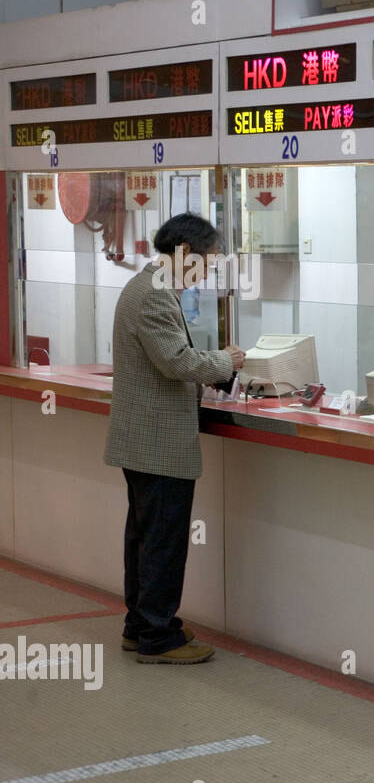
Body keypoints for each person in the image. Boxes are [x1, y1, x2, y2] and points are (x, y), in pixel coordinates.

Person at [104, 213, 246, 663]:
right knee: (163, 540)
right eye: (206, 263)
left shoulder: (148, 288)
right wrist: (225, 361)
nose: (206, 273)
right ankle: (158, 638)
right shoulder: (155, 294)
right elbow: (176, 362)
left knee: (145, 538)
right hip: (157, 443)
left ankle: (141, 625)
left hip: (144, 441)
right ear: (184, 253)